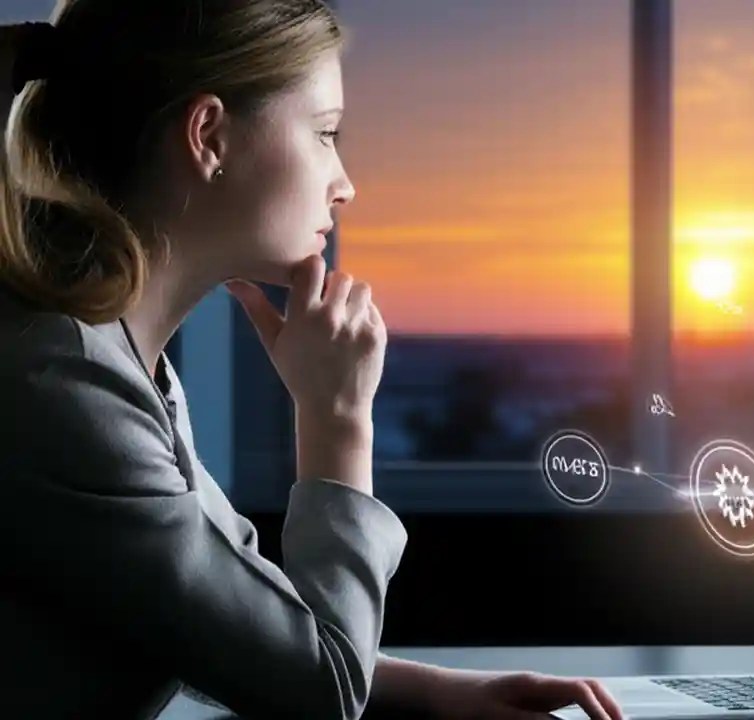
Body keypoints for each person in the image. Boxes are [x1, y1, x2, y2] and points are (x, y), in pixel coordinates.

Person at [0, 3, 623, 719]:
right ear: (208, 136)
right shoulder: (66, 384)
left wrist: (441, 691)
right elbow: (317, 695)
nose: (345, 182)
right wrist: (335, 417)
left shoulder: (109, 363)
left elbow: (232, 624)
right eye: (325, 134)